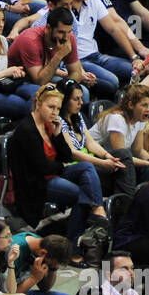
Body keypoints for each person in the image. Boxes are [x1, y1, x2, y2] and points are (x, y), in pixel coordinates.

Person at [8, 84, 105, 248]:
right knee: (80, 195)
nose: (54, 112)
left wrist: (58, 133)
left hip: (52, 174)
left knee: (87, 167)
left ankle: (98, 209)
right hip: (35, 183)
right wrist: (60, 166)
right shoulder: (27, 130)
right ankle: (72, 246)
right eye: (51, 107)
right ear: (38, 104)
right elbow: (42, 167)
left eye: (58, 108)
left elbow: (67, 155)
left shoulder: (49, 124)